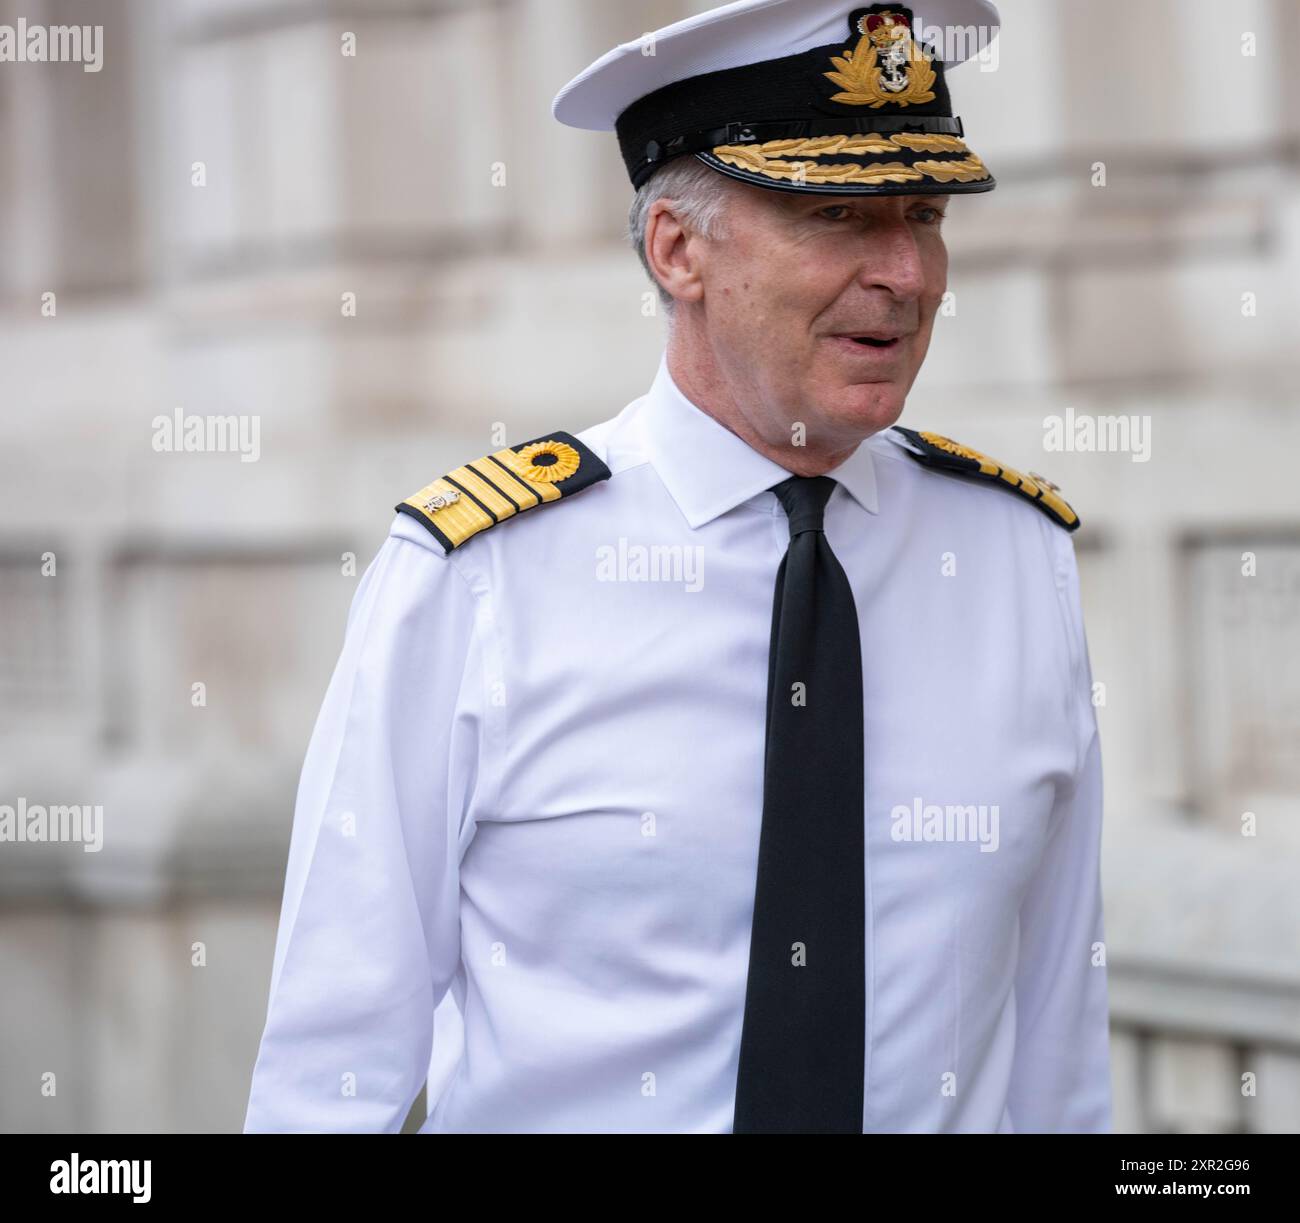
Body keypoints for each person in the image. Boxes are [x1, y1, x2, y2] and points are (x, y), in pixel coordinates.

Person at [244, 0, 1112, 1134]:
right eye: (840, 215)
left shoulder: (1013, 557)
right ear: (677, 250)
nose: (907, 271)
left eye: (924, 211)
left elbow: (1058, 1052)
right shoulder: (479, 576)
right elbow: (331, 1068)